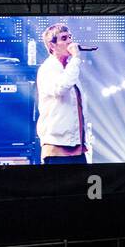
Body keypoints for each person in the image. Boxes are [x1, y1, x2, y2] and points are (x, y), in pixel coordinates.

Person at [36, 23, 89, 165]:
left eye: (70, 37)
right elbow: (61, 88)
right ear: (52, 45)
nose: (69, 42)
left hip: (76, 146)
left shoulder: (69, 69)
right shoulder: (48, 68)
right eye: (64, 38)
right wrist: (76, 58)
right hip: (56, 147)